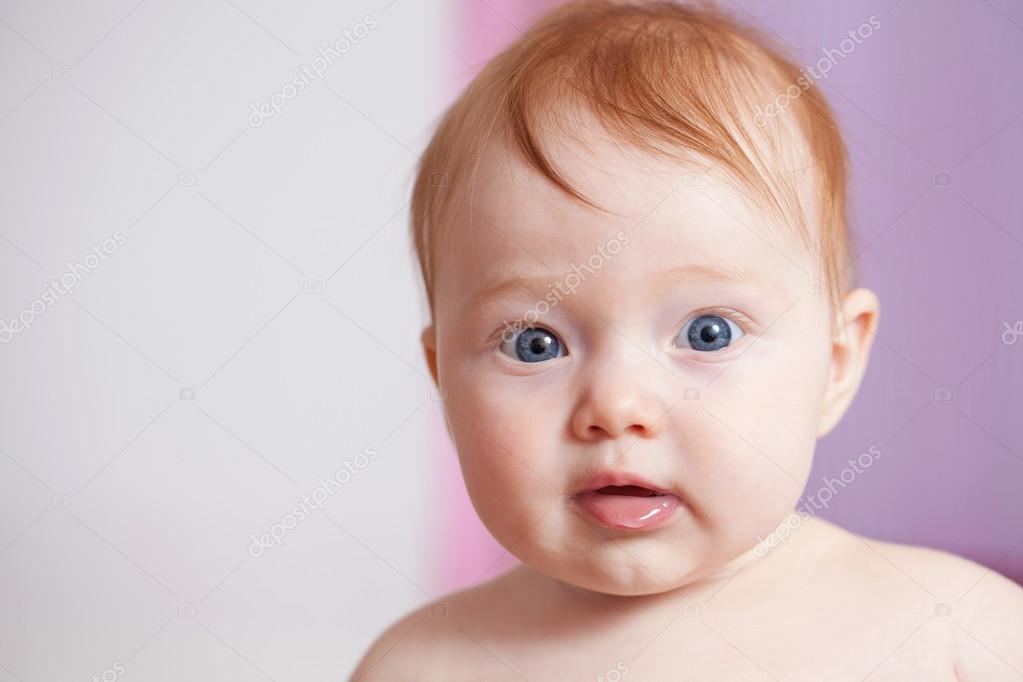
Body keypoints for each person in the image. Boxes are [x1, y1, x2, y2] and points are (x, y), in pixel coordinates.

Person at [354, 1, 1023, 678]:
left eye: (708, 333)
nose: (616, 407)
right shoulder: (423, 666)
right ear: (443, 380)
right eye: (535, 343)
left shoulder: (957, 635)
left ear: (835, 363)